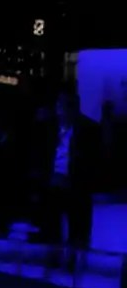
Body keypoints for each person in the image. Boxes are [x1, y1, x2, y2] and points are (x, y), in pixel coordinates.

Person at [44, 93, 99, 256]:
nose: (59, 111)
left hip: (77, 184)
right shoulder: (51, 127)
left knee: (78, 226)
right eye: (58, 106)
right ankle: (53, 257)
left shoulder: (89, 129)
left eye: (63, 106)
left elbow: (95, 159)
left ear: (73, 108)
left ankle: (75, 261)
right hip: (54, 182)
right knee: (52, 224)